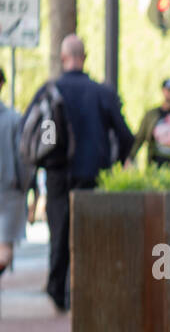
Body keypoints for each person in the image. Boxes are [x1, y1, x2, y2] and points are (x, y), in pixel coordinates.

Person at [25, 34, 133, 312]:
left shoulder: (50, 91)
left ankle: (57, 289)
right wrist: (120, 161)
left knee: (59, 231)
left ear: (63, 58)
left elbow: (38, 134)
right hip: (92, 174)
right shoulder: (101, 93)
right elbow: (124, 134)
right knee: (87, 235)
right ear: (84, 58)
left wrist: (43, 166)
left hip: (57, 174)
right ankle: (81, 290)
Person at [0, 66, 29, 280]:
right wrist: (24, 186)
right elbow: (24, 158)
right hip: (9, 190)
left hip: (10, 190)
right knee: (5, 247)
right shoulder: (14, 119)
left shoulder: (14, 119)